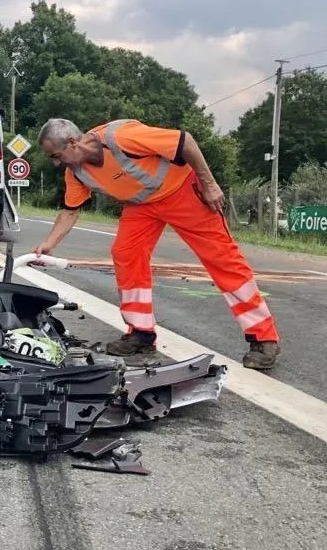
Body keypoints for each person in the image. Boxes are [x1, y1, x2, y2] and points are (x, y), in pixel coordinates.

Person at [33, 117, 281, 370]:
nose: (55, 162)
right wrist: (48, 244)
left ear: (73, 143)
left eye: (56, 155)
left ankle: (264, 338)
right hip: (141, 206)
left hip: (182, 193)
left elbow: (185, 142)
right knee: (125, 254)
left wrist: (209, 184)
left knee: (223, 260)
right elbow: (70, 211)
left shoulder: (121, 137)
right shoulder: (76, 172)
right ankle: (140, 333)